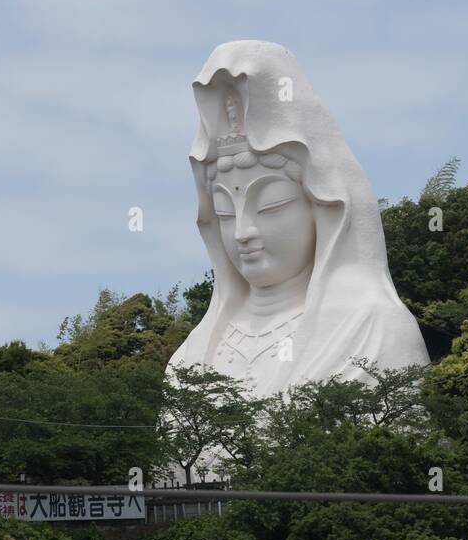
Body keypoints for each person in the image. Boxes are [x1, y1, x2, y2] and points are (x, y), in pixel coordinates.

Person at [167, 40, 429, 399]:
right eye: (225, 213)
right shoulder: (187, 362)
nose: (243, 233)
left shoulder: (372, 328)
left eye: (271, 206)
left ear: (320, 205)